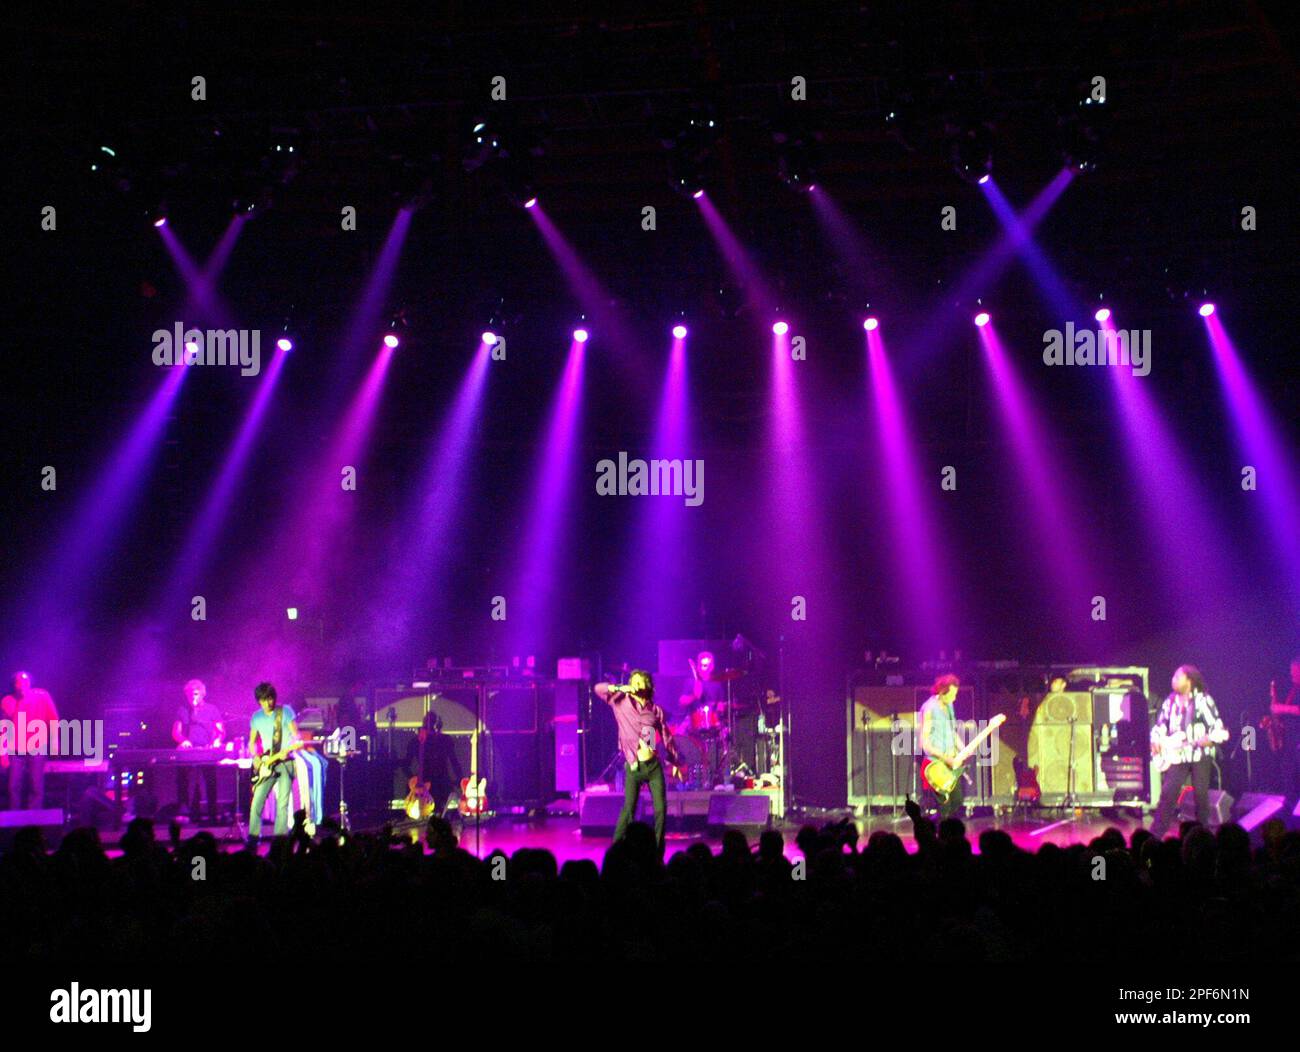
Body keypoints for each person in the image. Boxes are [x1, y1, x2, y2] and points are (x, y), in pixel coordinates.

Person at [595, 671, 683, 854]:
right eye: (633, 681)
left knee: (661, 809)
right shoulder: (619, 701)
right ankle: (615, 850)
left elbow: (666, 737)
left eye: (640, 682)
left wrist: (675, 760)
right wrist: (620, 687)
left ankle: (658, 852)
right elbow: (598, 689)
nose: (636, 685)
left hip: (652, 766)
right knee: (629, 809)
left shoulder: (654, 709)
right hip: (634, 766)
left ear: (648, 686)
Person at [1149, 665, 1229, 837]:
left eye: (1178, 677)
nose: (1173, 680)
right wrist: (1156, 740)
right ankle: (1155, 834)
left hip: (1200, 754)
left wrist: (1211, 739)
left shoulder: (1203, 701)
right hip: (1177, 755)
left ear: (1189, 680)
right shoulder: (1170, 701)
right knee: (1168, 792)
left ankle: (1203, 835)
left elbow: (1218, 728)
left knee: (1200, 795)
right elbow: (1161, 724)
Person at [246, 682, 304, 843]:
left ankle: (280, 840)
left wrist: (289, 749)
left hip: (285, 763)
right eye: (263, 700)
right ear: (259, 701)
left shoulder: (285, 712)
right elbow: (251, 742)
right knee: (257, 801)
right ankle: (253, 838)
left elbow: (297, 738)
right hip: (266, 764)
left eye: (270, 699)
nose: (267, 703)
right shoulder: (256, 717)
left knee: (283, 804)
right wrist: (255, 758)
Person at [1, 671, 60, 810]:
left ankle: (33, 821)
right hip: (16, 749)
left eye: (25, 682)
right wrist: (2, 754)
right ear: (13, 685)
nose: (22, 685)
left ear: (30, 684)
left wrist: (54, 742)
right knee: (13, 786)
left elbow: (53, 719)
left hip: (37, 746)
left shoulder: (42, 696)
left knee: (36, 785)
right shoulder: (7, 701)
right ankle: (14, 821)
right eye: (18, 682)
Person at [171, 678, 225, 823]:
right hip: (188, 752)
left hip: (206, 750)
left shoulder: (212, 709)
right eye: (189, 695)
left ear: (202, 693)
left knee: (210, 782)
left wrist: (217, 741)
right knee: (185, 782)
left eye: (195, 694)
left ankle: (212, 814)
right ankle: (186, 813)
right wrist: (183, 740)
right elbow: (176, 732)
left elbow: (220, 731)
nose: (191, 697)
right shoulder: (183, 710)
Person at [918, 674, 963, 819]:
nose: (954, 699)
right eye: (952, 695)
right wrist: (945, 758)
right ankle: (939, 835)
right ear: (942, 692)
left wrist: (963, 749)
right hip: (936, 764)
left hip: (950, 763)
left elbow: (952, 731)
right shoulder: (929, 709)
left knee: (957, 800)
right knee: (945, 805)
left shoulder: (949, 705)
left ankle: (936, 826)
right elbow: (925, 744)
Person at [405, 711, 463, 813]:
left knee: (439, 806)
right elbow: (454, 762)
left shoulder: (444, 740)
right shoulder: (416, 742)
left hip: (439, 781)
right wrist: (413, 782)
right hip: (429, 782)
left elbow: (454, 762)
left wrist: (461, 780)